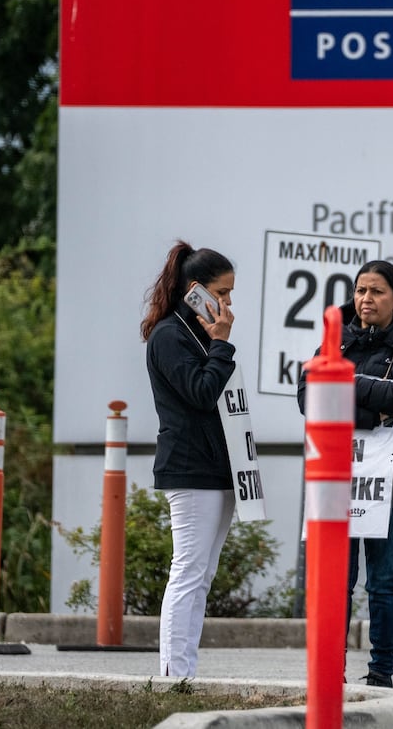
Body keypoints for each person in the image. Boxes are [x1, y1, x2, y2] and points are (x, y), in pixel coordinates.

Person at [297, 260, 393, 688]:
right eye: (360, 291)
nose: (366, 299)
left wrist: (342, 382)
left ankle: (381, 672)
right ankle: (329, 670)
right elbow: (308, 397)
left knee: (383, 582)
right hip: (339, 483)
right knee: (336, 581)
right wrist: (374, 403)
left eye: (376, 291)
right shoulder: (334, 343)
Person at [140, 241, 238, 678]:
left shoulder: (197, 333)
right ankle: (174, 674)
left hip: (217, 468)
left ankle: (184, 670)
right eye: (224, 292)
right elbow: (200, 393)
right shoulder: (169, 336)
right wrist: (221, 345)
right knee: (188, 571)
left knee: (202, 574)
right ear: (196, 290)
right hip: (189, 468)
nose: (229, 303)